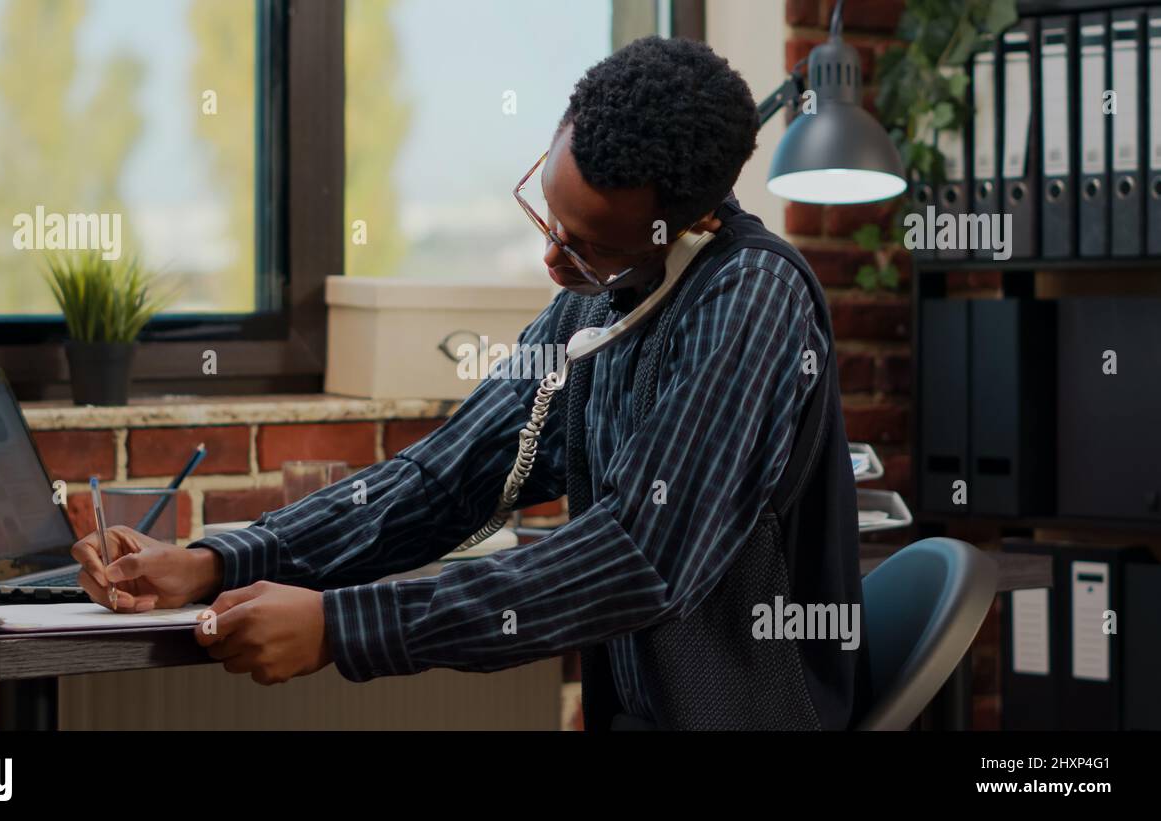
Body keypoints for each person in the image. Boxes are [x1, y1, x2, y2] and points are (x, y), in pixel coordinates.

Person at [71, 36, 870, 731]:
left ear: (690, 222)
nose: (553, 263)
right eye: (548, 218)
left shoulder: (754, 299)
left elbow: (640, 558)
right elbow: (443, 478)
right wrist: (219, 560)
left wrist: (342, 627)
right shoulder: (598, 301)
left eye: (587, 246)